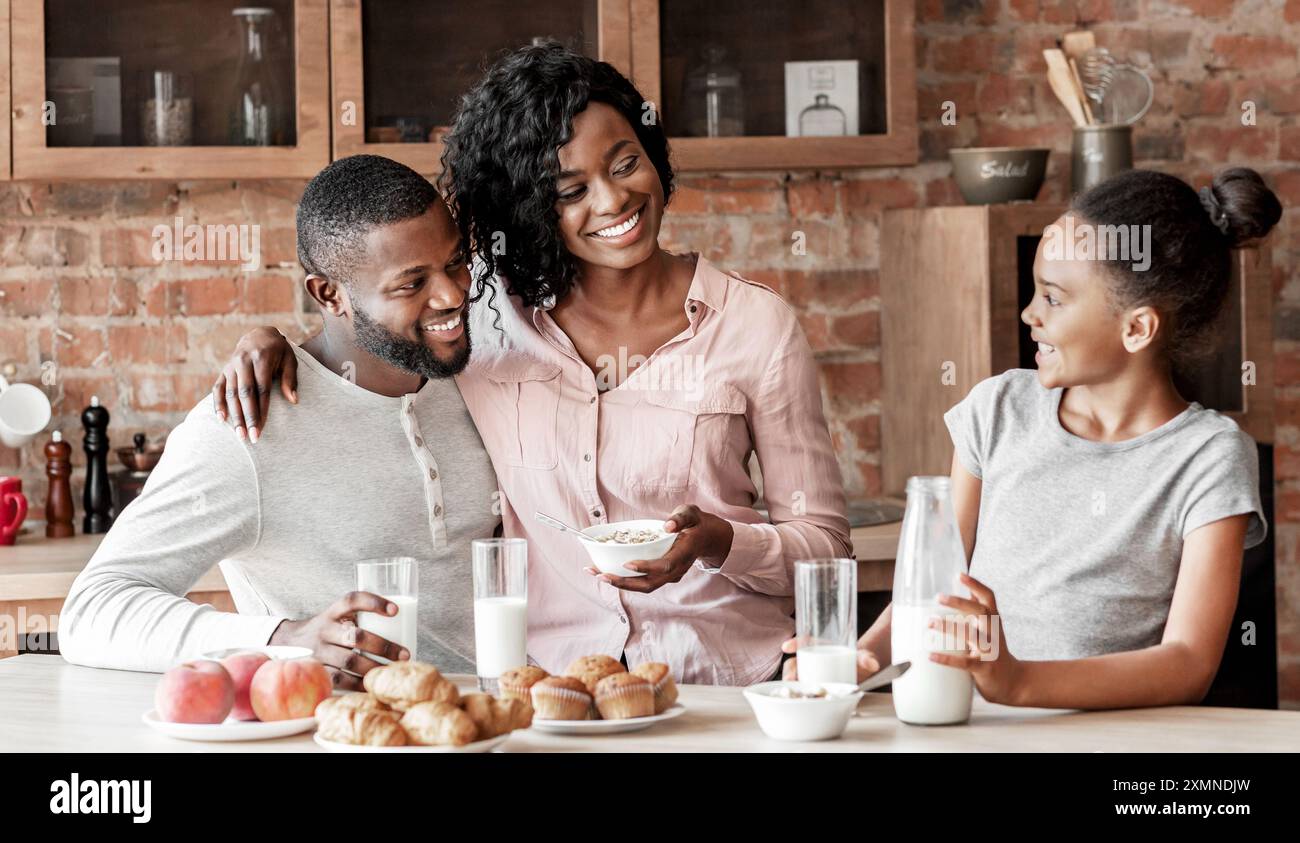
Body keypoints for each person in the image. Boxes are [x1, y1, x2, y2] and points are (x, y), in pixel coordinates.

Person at [212, 43, 851, 686]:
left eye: (626, 163)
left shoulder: (754, 327)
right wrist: (273, 341)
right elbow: (376, 326)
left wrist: (720, 540)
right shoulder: (488, 322)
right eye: (570, 190)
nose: (613, 201)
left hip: (725, 685)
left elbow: (827, 550)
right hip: (548, 693)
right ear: (527, 209)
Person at [785, 167, 1280, 709]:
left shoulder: (1208, 456)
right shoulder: (997, 409)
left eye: (1054, 298)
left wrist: (1017, 682)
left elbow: (1187, 663)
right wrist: (863, 659)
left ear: (1136, 328)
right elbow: (933, 589)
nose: (1030, 314)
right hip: (966, 728)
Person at [59, 155, 501, 686]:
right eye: (411, 284)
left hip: (502, 725)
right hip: (347, 737)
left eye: (455, 262)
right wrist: (281, 641)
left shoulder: (482, 378)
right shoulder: (248, 425)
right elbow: (93, 610)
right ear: (329, 294)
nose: (454, 295)